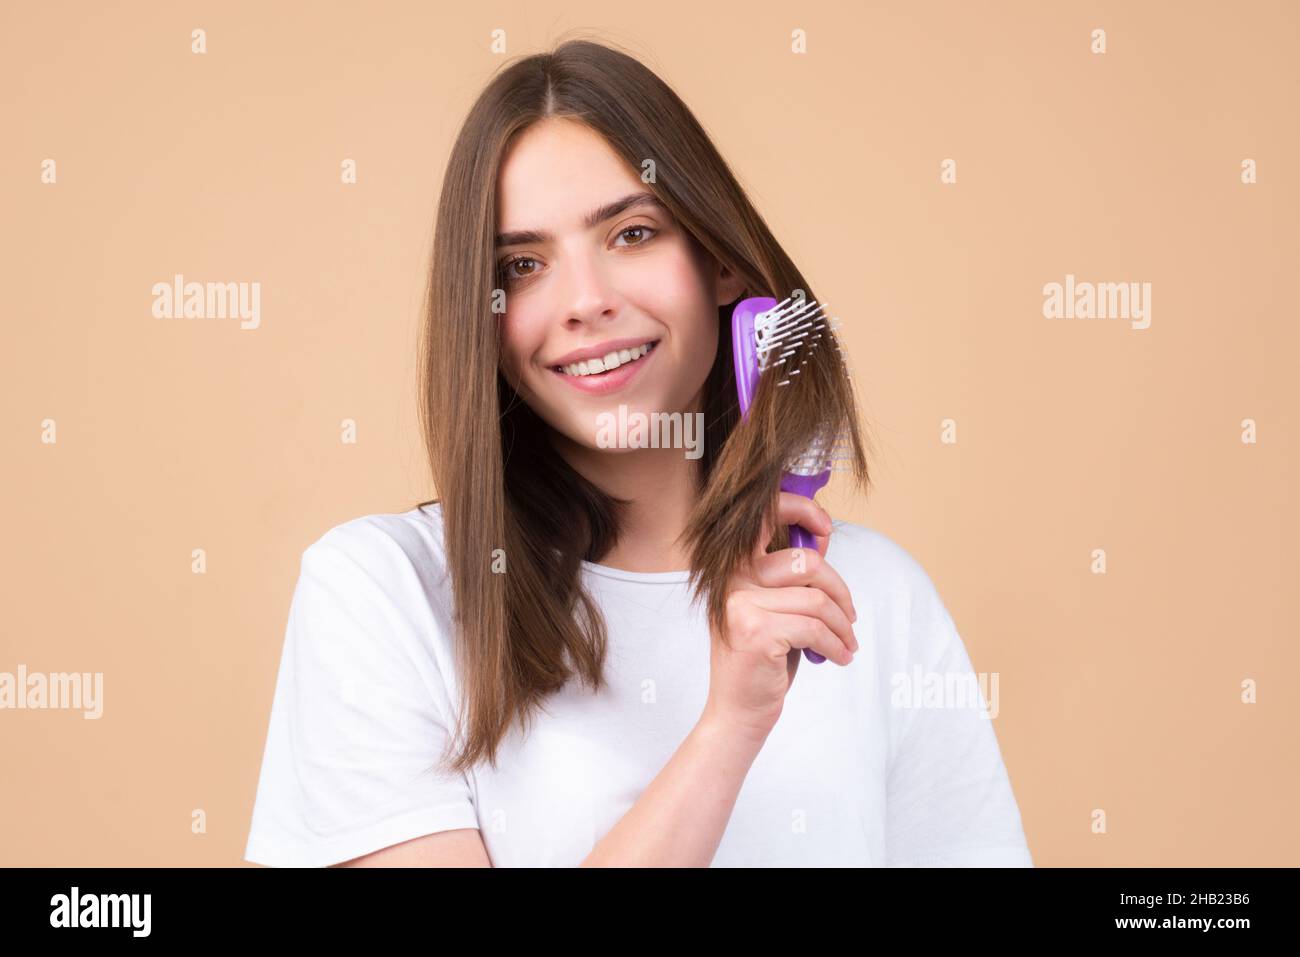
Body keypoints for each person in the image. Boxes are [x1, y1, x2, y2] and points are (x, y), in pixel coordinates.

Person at [244, 37, 1032, 868]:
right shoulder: (385, 595)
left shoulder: (874, 597)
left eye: (631, 233)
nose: (585, 302)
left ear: (720, 263)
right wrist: (728, 725)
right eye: (523, 263)